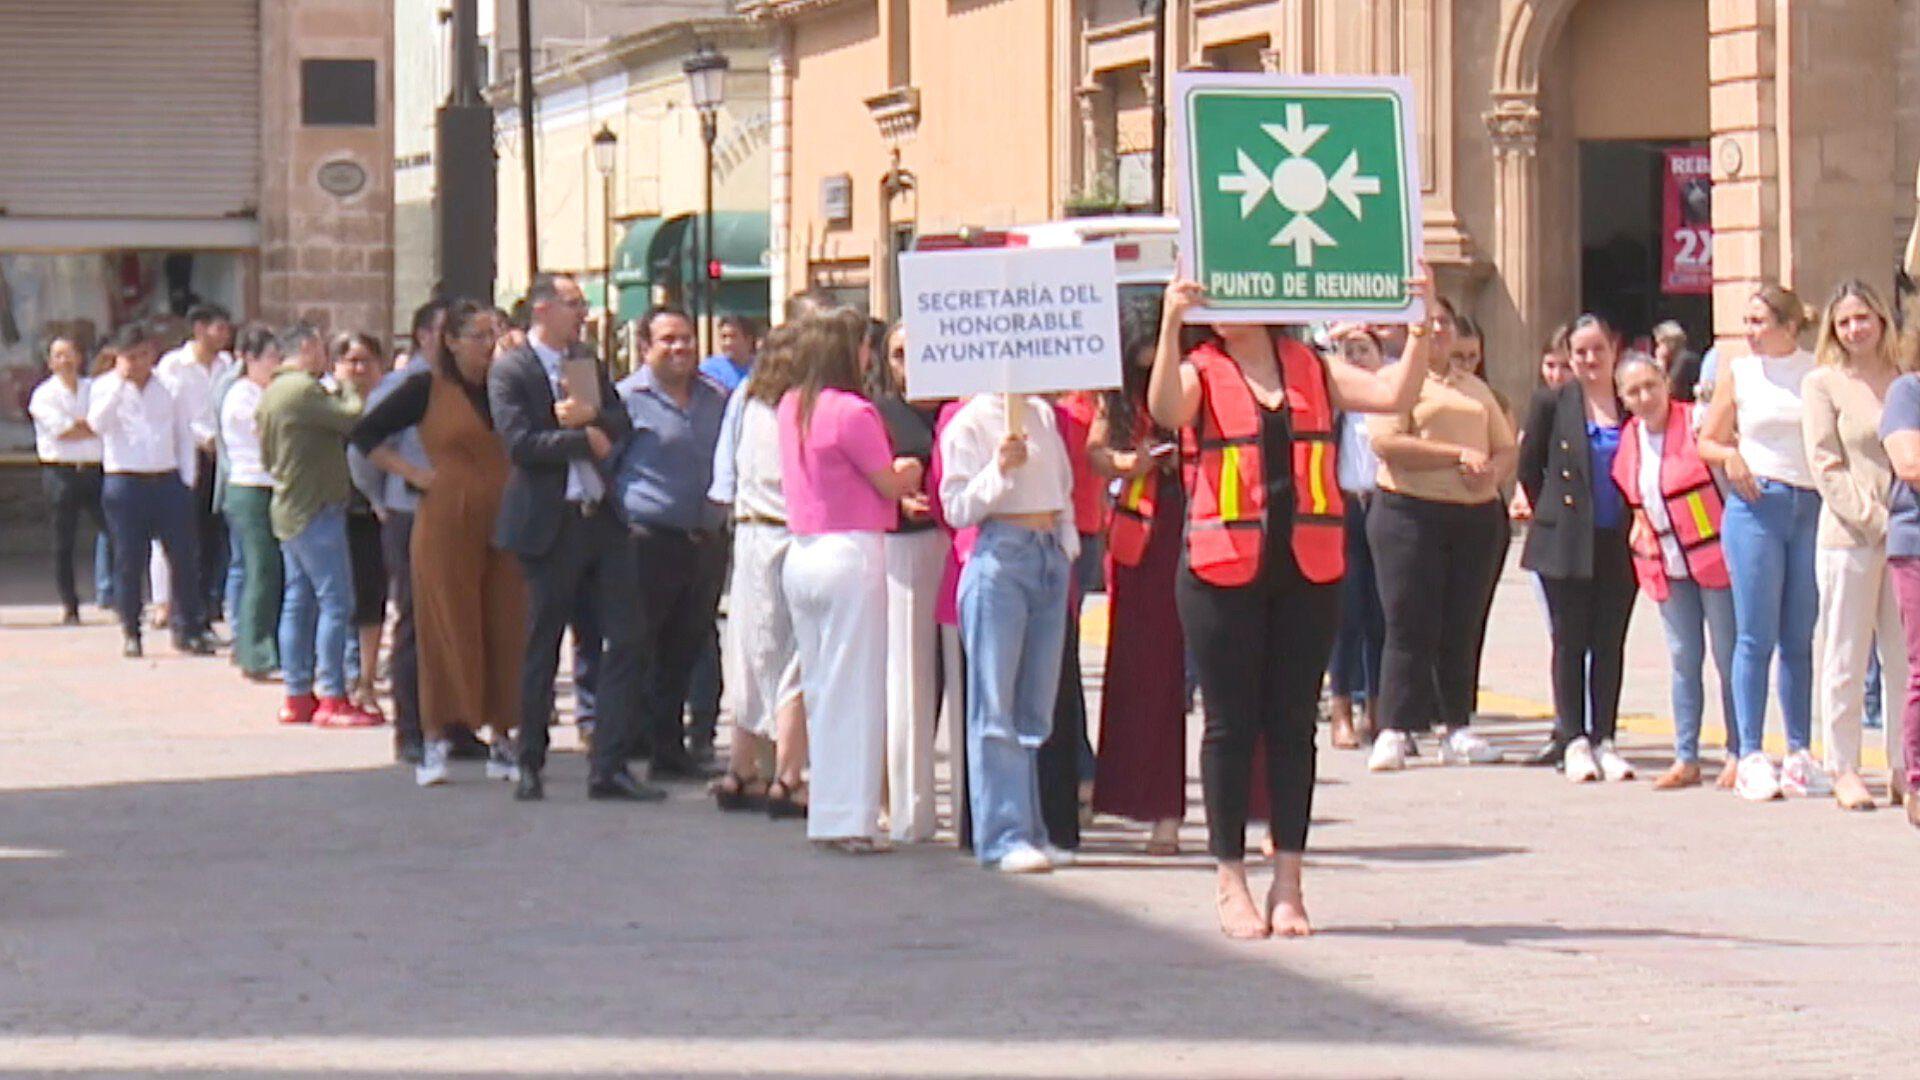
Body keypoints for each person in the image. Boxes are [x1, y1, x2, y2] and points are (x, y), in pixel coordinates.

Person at [1147, 274, 1428, 939]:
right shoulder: (1200, 370)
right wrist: (1169, 322)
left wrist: (1416, 328)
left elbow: (1394, 393)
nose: (1215, 310)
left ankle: (1289, 884)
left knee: (1292, 724)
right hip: (1221, 572)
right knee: (1229, 725)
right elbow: (1165, 409)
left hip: (1308, 566)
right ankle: (1230, 881)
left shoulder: (1313, 368)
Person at [492, 273, 660, 803]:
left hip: (600, 516)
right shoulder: (513, 368)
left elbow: (619, 421)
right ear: (541, 309)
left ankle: (607, 763)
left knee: (627, 636)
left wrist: (596, 422)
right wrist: (580, 438)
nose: (581, 314)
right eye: (572, 304)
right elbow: (519, 443)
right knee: (543, 644)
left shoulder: (583, 362)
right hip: (549, 521)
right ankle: (530, 760)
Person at [353, 301, 527, 787]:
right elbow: (365, 435)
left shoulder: (505, 386)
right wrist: (413, 475)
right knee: (446, 623)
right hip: (446, 513)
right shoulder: (424, 386)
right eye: (478, 335)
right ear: (451, 340)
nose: (489, 344)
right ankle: (435, 737)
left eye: (494, 334)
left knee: (505, 620)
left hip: (504, 511)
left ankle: (503, 736)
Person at [778, 308, 924, 853]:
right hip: (851, 549)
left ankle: (830, 812)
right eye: (865, 345)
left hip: (804, 548)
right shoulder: (854, 411)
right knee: (856, 688)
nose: (869, 353)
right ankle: (850, 818)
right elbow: (888, 480)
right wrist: (907, 471)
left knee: (820, 685)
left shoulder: (792, 405)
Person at [1366, 297, 1515, 772]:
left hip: (1473, 516)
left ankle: (1457, 725)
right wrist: (1454, 455)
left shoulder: (1475, 388)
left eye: (1445, 323)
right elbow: (1387, 443)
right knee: (1409, 621)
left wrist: (1492, 473)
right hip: (1410, 511)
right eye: (1428, 324)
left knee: (1462, 623)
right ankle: (1394, 727)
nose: (1438, 331)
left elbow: (1505, 445)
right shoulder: (1396, 383)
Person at [1698, 284, 1826, 801]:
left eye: (1759, 321)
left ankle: (1798, 749)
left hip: (1809, 504)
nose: (1749, 332)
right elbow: (1708, 437)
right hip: (1757, 503)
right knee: (1754, 634)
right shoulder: (1741, 372)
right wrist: (1728, 457)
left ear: (1789, 326)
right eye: (1746, 321)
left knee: (1799, 634)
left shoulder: (1816, 371)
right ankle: (1749, 749)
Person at [1803, 281, 1910, 811]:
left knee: (1904, 657)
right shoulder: (1823, 383)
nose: (1855, 330)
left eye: (1863, 318)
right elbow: (1824, 463)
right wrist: (1873, 519)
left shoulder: (1904, 381)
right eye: (1844, 322)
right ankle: (1842, 765)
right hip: (1851, 535)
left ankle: (1902, 762)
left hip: (1908, 536)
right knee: (1845, 652)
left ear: (1882, 321)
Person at [611, 307, 730, 781]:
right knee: (637, 649)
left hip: (703, 541)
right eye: (668, 340)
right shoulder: (626, 399)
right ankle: (619, 751)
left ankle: (669, 748)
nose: (680, 348)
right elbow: (606, 467)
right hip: (646, 540)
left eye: (685, 339)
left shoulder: (715, 398)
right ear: (645, 348)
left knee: (686, 647)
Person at [1517, 314, 1636, 782]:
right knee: (1569, 641)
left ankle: (1605, 735)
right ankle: (1573, 736)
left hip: (1619, 539)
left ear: (1614, 350)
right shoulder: (1552, 401)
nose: (1589, 360)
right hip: (1565, 538)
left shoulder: (1630, 401)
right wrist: (1552, 510)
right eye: (1579, 351)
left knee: (1609, 641)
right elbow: (1530, 468)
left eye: (1597, 350)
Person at [1611, 354, 1737, 789]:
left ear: (1666, 383)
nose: (1645, 397)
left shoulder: (1697, 423)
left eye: (1651, 385)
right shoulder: (1630, 439)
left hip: (1715, 558)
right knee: (1684, 659)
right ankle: (1686, 756)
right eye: (1633, 391)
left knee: (1728, 655)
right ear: (1624, 399)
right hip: (1668, 564)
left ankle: (1739, 751)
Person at [1089, 324, 1188, 853]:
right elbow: (1096, 452)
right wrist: (1133, 463)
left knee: (1232, 680)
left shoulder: (1199, 383)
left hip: (1208, 520)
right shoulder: (1120, 400)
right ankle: (1158, 809)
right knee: (1148, 675)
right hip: (1144, 535)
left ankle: (1252, 810)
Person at [257, 323, 378, 728]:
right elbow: (351, 417)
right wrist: (346, 385)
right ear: (307, 348)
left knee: (299, 600)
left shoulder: (272, 391)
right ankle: (332, 695)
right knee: (335, 601)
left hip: (290, 504)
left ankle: (297, 692)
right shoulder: (303, 389)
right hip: (315, 507)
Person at [709, 324, 808, 817]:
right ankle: (787, 777)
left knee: (748, 650)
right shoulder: (800, 406)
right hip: (785, 529)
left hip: (747, 529)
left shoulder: (746, 399)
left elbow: (722, 475)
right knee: (790, 655)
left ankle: (741, 766)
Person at [88, 322, 215, 658]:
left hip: (167, 479)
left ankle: (188, 627)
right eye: (130, 356)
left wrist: (188, 480)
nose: (137, 363)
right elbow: (97, 425)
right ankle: (131, 628)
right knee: (129, 559)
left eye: (142, 355)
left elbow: (184, 435)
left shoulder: (170, 386)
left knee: (184, 557)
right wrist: (119, 384)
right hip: (125, 480)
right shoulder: (104, 387)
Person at [356, 300, 445, 764]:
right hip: (410, 513)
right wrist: (390, 494)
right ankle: (410, 728)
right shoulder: (402, 387)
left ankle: (455, 724)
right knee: (414, 622)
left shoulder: (464, 387)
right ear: (426, 336)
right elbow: (364, 451)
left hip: (459, 517)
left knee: (456, 621)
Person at [870, 323, 949, 842]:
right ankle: (899, 799)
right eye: (898, 354)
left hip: (953, 542)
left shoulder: (955, 408)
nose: (908, 363)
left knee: (944, 678)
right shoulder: (878, 411)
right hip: (901, 546)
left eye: (917, 351)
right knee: (905, 679)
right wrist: (895, 498)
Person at [1325, 324, 1387, 749]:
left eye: (1364, 349)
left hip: (1383, 505)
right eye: (1348, 351)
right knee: (1345, 614)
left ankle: (1379, 709)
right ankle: (1340, 708)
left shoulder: (1390, 400)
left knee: (1381, 614)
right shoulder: (1332, 405)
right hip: (1342, 506)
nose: (1356, 358)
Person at [157, 303, 236, 625]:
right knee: (181, 535)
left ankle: (209, 601)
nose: (225, 335)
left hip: (221, 456)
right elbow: (168, 411)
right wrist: (200, 436)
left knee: (215, 533)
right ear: (200, 329)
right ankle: (172, 602)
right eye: (219, 328)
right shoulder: (173, 365)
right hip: (187, 456)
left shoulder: (227, 365)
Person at [330, 333, 389, 721]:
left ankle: (365, 680)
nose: (359, 369)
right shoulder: (326, 408)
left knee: (372, 601)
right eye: (351, 360)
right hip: (336, 512)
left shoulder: (390, 407)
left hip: (378, 514)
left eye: (366, 360)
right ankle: (339, 681)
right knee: (338, 602)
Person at [220, 326, 283, 679]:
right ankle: (253, 649)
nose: (276, 365)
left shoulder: (271, 391)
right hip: (250, 486)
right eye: (271, 358)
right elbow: (266, 430)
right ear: (250, 360)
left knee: (275, 569)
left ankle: (270, 644)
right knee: (260, 568)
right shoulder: (241, 395)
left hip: (274, 485)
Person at [29, 336, 105, 624]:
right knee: (64, 542)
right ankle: (70, 605)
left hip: (94, 470)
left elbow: (104, 423)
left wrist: (86, 426)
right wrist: (87, 426)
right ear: (50, 362)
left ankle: (122, 597)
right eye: (58, 355)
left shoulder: (94, 389)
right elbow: (62, 431)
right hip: (60, 473)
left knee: (116, 533)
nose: (65, 360)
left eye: (69, 354)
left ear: (80, 357)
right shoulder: (43, 395)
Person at [700, 314, 761, 394]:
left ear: (748, 339)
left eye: (733, 337)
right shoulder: (709, 370)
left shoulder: (761, 368)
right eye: (724, 337)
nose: (727, 343)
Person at [1654, 320, 1702, 404]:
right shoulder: (1675, 359)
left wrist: (1661, 364)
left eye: (1659, 344)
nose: (1657, 349)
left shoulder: (1685, 360)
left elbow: (1669, 391)